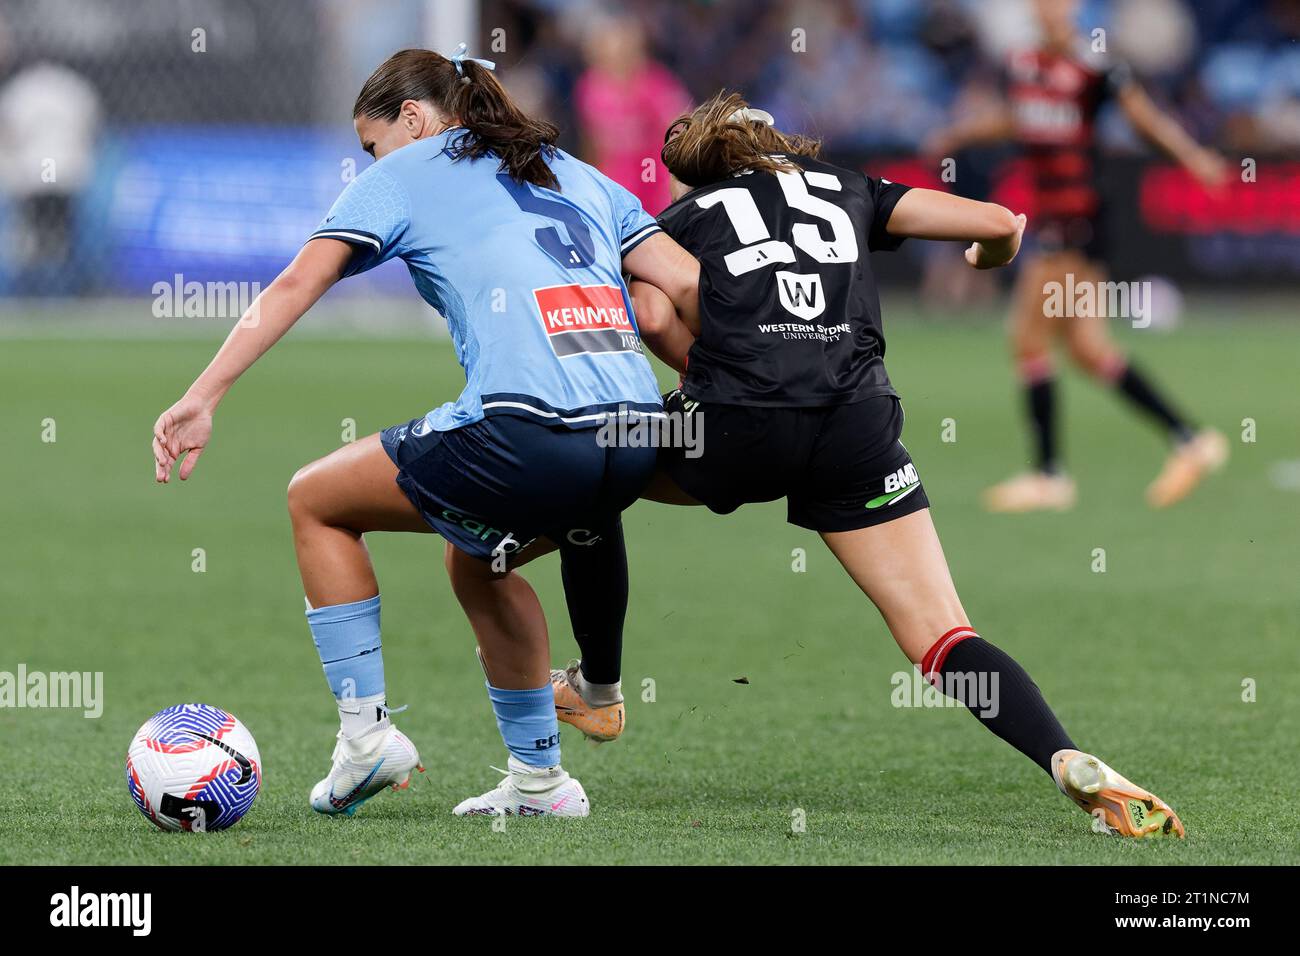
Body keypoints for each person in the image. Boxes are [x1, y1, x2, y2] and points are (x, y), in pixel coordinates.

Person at [552, 91, 1185, 838]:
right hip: (856, 428)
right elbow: (995, 223)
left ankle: (596, 686)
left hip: (734, 428)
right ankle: (1064, 756)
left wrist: (708, 371)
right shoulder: (849, 186)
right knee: (944, 635)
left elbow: (653, 315)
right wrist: (991, 255)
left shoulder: (683, 220)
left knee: (586, 478)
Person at [151, 46, 698, 818]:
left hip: (532, 432)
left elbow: (296, 282)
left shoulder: (408, 172)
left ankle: (366, 740)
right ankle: (542, 783)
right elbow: (686, 286)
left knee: (316, 500)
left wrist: (202, 394)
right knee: (477, 560)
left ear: (413, 118)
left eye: (371, 145)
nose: (370, 162)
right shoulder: (574, 170)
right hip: (636, 438)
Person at [924, 0, 1228, 512]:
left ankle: (1049, 475)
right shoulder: (1021, 65)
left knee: (1027, 338)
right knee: (1089, 350)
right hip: (1054, 221)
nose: (1047, 9)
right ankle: (1191, 440)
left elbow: (1145, 122)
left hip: (1078, 223)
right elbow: (1015, 119)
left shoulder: (1095, 67)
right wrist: (961, 132)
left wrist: (1194, 157)